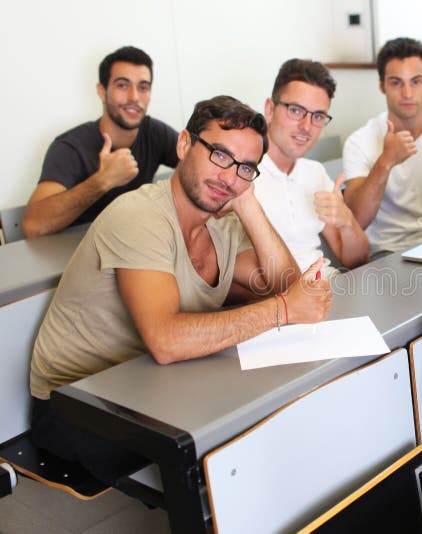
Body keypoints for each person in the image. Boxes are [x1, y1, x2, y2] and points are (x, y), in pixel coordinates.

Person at [29, 95, 332, 484]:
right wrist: (283, 310)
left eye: (245, 168)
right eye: (220, 156)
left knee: (279, 421)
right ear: (185, 145)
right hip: (78, 405)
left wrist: (248, 205)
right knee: (232, 460)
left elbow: (289, 286)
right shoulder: (139, 215)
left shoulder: (224, 220)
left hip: (153, 385)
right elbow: (166, 340)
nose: (229, 177)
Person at [22, 46, 179, 238]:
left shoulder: (155, 132)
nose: (134, 97)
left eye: (143, 87)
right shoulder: (70, 147)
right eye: (122, 85)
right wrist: (103, 180)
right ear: (102, 91)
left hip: (134, 244)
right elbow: (33, 225)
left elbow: (197, 165)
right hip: (76, 253)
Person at [342, 37, 422, 256]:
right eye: (396, 83)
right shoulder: (359, 141)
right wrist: (386, 161)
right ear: (381, 86)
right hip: (384, 251)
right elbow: (356, 220)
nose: (407, 94)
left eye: (415, 81)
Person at [254, 58, 369, 279]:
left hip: (329, 285)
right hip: (277, 296)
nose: (306, 127)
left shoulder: (315, 172)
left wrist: (347, 221)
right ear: (270, 109)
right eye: (296, 111)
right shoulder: (242, 174)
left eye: (317, 116)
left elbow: (358, 261)